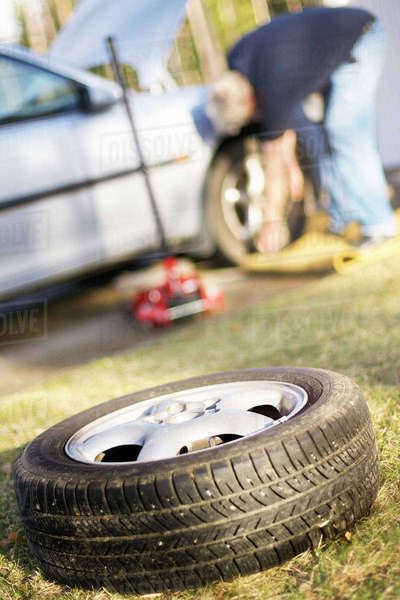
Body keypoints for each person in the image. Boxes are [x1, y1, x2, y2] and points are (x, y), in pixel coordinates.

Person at [206, 6, 398, 254]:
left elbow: (273, 157)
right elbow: (282, 130)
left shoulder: (271, 85)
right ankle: (343, 221)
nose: (256, 122)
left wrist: (271, 222)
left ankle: (379, 224)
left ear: (248, 103)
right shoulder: (238, 59)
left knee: (345, 130)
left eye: (249, 119)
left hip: (360, 36)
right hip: (334, 42)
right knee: (325, 138)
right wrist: (293, 168)